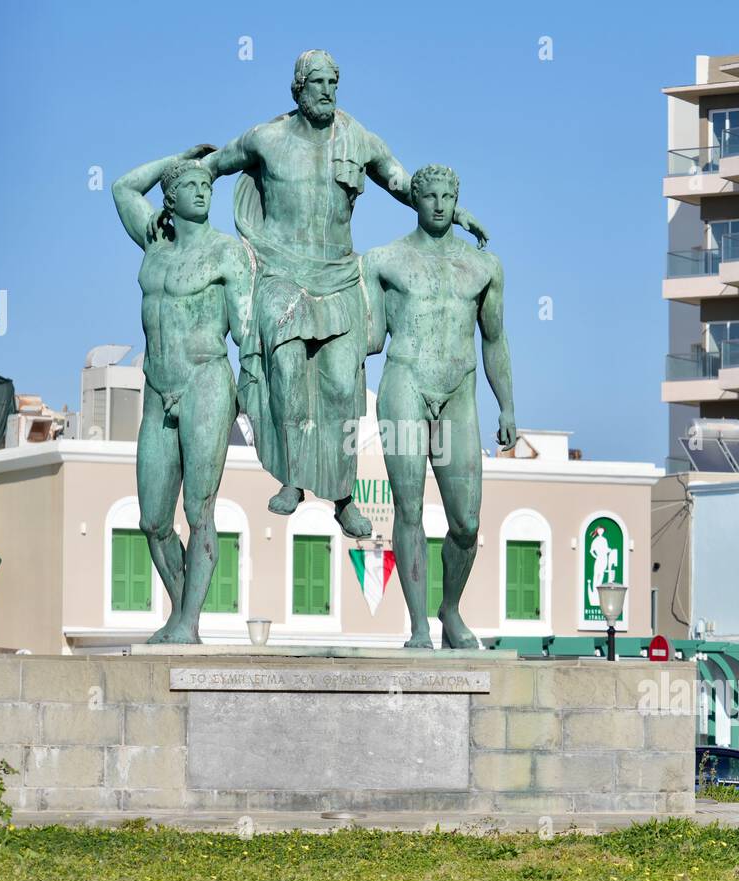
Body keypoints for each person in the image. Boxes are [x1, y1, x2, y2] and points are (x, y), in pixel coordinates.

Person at [194, 50, 489, 539]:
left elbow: (401, 181)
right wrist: (180, 188)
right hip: (282, 274)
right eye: (317, 83)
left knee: (339, 386)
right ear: (297, 89)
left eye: (334, 82)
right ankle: (292, 478)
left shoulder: (356, 137)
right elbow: (216, 164)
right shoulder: (266, 140)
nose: (327, 90)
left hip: (337, 275)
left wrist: (454, 214)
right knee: (286, 371)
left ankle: (343, 495)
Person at [363, 165, 514, 648]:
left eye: (449, 195)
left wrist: (507, 406)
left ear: (457, 198)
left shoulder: (483, 267)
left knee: (466, 522)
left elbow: (494, 339)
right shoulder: (385, 261)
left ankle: (449, 610)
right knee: (408, 509)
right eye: (430, 195)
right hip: (405, 383)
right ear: (416, 200)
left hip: (459, 394)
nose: (440, 204)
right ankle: (418, 627)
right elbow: (368, 340)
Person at [112, 153, 252, 643]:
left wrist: (252, 388)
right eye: (191, 186)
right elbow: (123, 188)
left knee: (199, 511)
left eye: (206, 186)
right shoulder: (154, 243)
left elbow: (246, 331)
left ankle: (188, 624)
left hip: (206, 380)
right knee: (152, 519)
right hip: (157, 387)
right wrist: (178, 160)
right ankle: (179, 612)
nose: (201, 192)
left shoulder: (226, 253)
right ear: (169, 199)